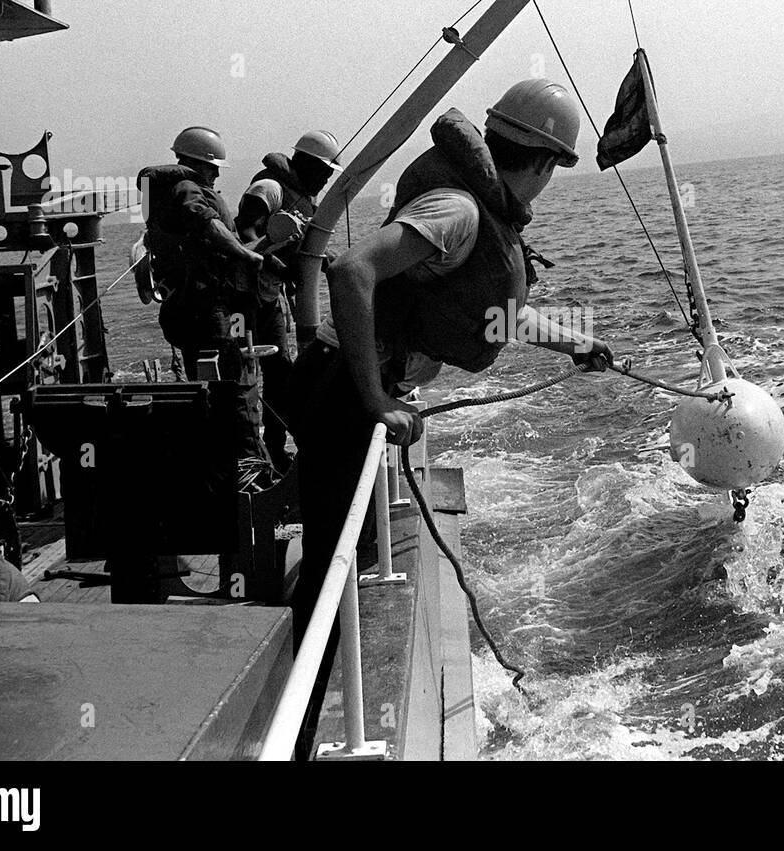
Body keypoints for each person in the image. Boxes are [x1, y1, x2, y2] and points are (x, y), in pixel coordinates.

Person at [288, 79, 614, 639]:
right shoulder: (458, 209)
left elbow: (497, 315)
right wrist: (376, 399)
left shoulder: (475, 211)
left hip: (349, 383)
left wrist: (576, 343)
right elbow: (350, 271)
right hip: (339, 387)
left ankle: (324, 657)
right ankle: (311, 678)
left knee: (349, 543)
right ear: (544, 164)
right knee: (331, 556)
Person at [140, 126, 267, 460]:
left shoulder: (168, 192)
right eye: (213, 168)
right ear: (201, 163)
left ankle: (218, 458)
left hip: (192, 306)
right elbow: (206, 223)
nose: (215, 176)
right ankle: (245, 463)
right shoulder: (186, 189)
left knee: (210, 385)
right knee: (232, 385)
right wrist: (246, 256)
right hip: (205, 307)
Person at [236, 131, 343, 472]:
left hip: (269, 298)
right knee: (242, 375)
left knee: (281, 372)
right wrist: (277, 265)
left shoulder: (303, 199)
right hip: (242, 298)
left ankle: (275, 447)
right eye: (324, 171)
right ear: (306, 164)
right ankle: (248, 451)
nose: (326, 180)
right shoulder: (269, 188)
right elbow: (245, 235)